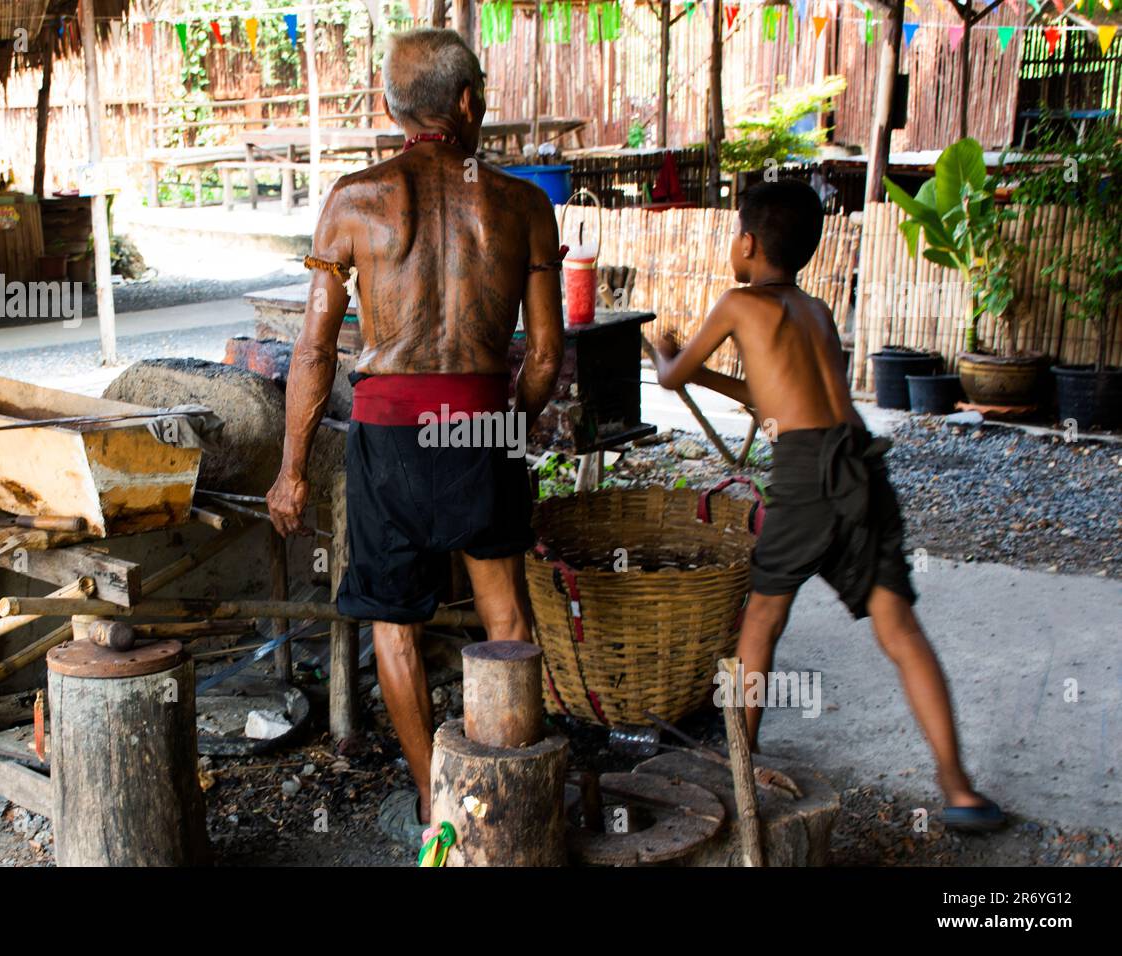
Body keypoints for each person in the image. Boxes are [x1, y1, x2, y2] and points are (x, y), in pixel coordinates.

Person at [265, 28, 565, 843]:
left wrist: (291, 470)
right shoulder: (523, 205)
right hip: (481, 429)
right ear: (468, 104)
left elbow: (315, 349)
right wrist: (508, 424)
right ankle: (505, 797)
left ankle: (435, 801)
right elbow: (544, 356)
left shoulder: (353, 201)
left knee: (395, 626)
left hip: (388, 439)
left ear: (390, 109)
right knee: (505, 622)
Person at [650, 179, 1005, 832]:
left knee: (759, 622)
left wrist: (664, 351)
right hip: (860, 464)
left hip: (807, 473)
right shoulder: (814, 312)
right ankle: (959, 790)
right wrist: (704, 372)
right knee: (899, 630)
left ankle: (739, 768)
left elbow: (670, 379)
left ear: (747, 244)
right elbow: (769, 396)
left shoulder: (737, 302)